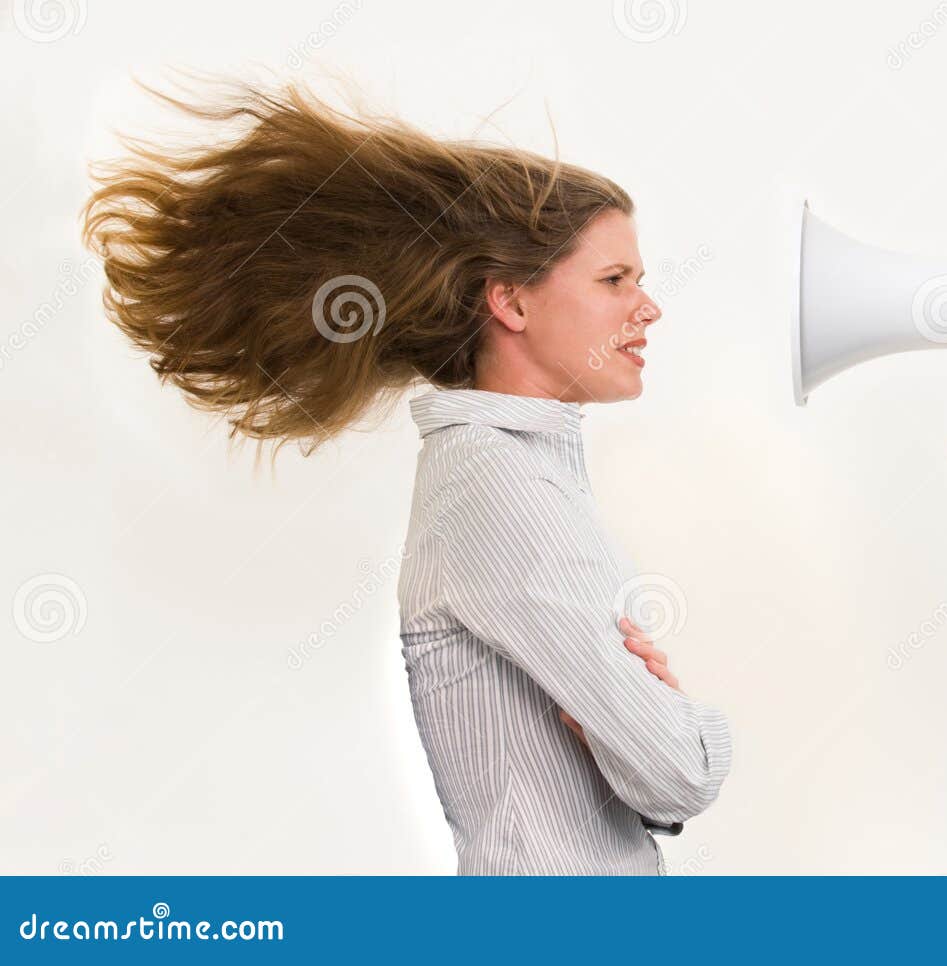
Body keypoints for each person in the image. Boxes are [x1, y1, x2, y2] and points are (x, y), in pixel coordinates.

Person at [83, 81, 731, 875]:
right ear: (510, 302)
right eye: (615, 280)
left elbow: (652, 789)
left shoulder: (513, 476)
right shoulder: (502, 492)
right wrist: (669, 721)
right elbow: (681, 773)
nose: (649, 307)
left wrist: (635, 726)